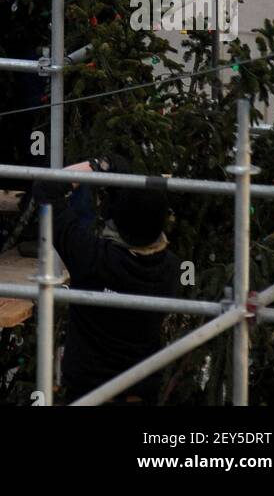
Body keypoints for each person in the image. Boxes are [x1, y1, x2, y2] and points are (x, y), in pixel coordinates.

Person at [34, 157, 180, 405]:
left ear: (117, 219)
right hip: (141, 391)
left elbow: (47, 189)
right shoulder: (171, 269)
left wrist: (97, 166)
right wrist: (117, 177)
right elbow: (137, 208)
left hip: (87, 392)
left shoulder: (92, 258)